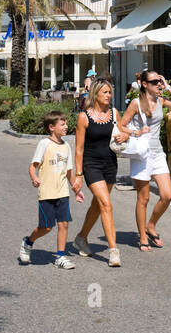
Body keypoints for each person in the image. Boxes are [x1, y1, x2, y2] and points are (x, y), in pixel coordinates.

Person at [120, 70, 171, 251]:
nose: (158, 84)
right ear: (144, 84)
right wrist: (136, 132)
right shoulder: (136, 104)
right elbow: (121, 125)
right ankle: (142, 235)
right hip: (142, 154)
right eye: (155, 81)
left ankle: (151, 225)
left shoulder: (161, 101)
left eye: (160, 80)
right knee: (144, 198)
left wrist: (168, 88)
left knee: (167, 195)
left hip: (158, 154)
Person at [19, 110, 85, 269]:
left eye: (66, 123)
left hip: (62, 192)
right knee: (46, 227)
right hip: (47, 193)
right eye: (62, 124)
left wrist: (76, 189)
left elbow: (69, 171)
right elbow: (32, 166)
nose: (66, 127)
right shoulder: (44, 144)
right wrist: (34, 178)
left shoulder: (67, 146)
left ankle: (60, 257)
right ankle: (28, 242)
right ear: (51, 127)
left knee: (64, 224)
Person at [74, 79, 125, 267]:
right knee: (106, 204)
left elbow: (122, 132)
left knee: (98, 205)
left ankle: (81, 237)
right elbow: (79, 149)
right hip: (91, 164)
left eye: (110, 93)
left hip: (110, 163)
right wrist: (78, 175)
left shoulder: (114, 114)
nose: (108, 96)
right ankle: (113, 251)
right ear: (95, 94)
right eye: (105, 92)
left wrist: (124, 135)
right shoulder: (84, 117)